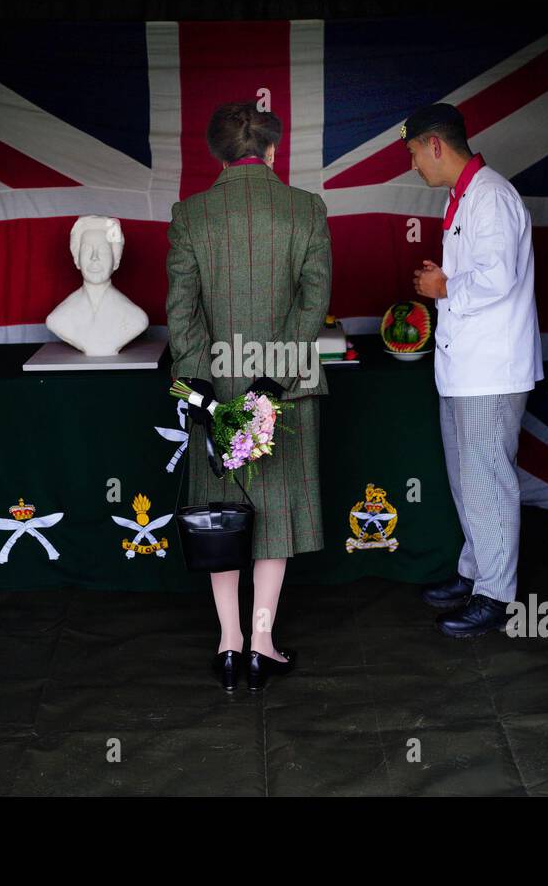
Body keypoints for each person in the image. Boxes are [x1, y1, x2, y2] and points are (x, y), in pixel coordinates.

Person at [165, 102, 331, 692]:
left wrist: (201, 386)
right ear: (272, 150)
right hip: (282, 389)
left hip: (213, 386)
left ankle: (228, 642)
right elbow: (313, 306)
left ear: (218, 153)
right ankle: (261, 640)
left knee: (222, 518)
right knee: (275, 519)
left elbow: (180, 313)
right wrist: (273, 379)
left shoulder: (191, 215)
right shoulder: (306, 210)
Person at [405, 103, 543, 637]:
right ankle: (475, 572)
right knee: (469, 480)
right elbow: (479, 273)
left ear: (435, 145)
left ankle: (496, 594)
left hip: (491, 369)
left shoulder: (491, 196)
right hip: (466, 368)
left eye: (415, 152)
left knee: (488, 480)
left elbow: (499, 277)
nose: (414, 164)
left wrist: (445, 287)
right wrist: (448, 277)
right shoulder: (462, 196)